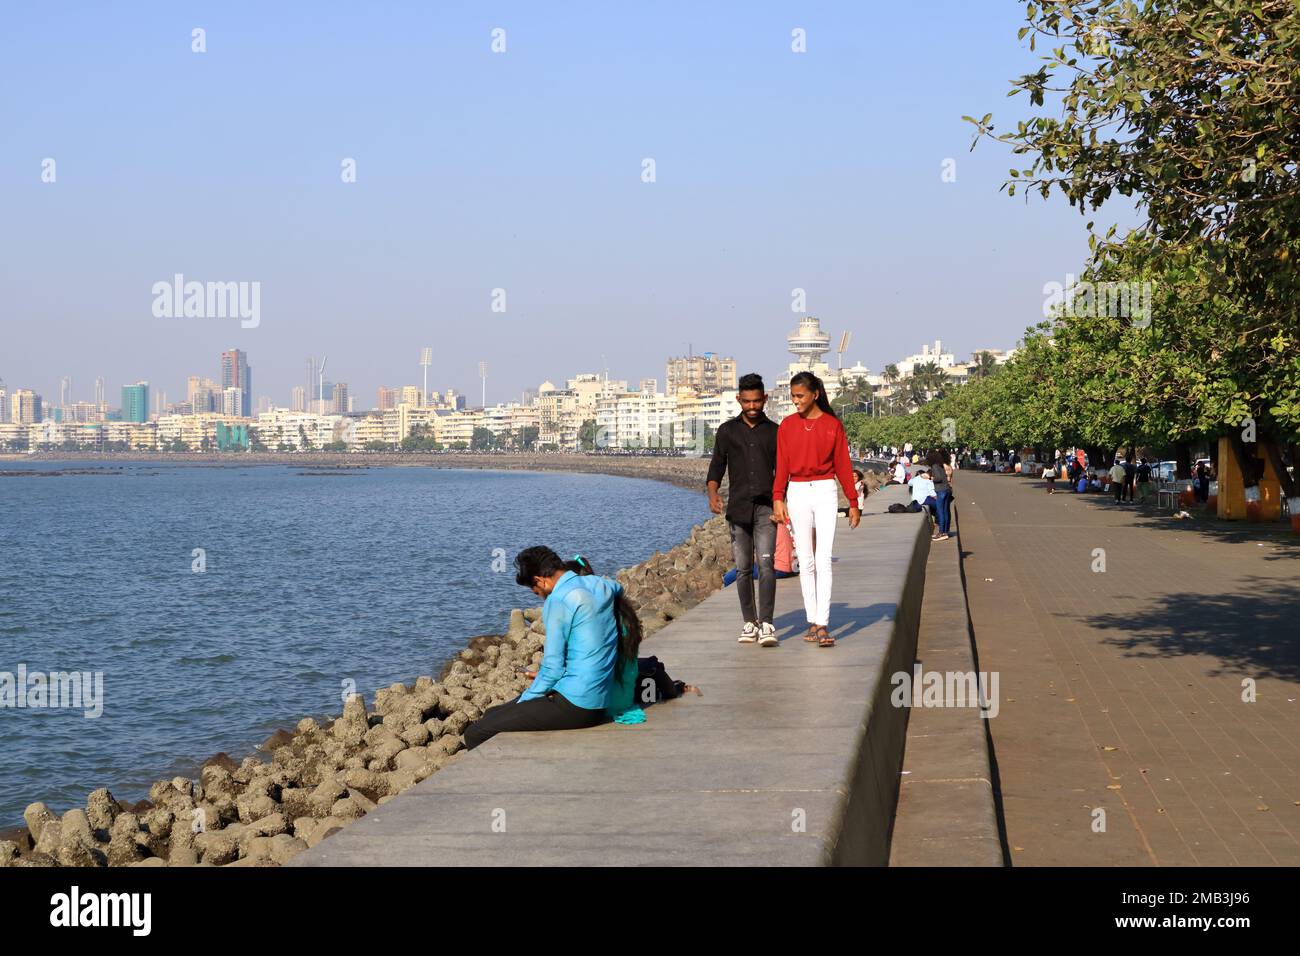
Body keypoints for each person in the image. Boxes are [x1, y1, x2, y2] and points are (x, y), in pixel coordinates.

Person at [464, 547, 632, 750]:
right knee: (492, 714)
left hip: (576, 706)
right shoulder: (599, 584)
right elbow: (618, 588)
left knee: (475, 733)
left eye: (536, 592)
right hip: (599, 699)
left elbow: (553, 670)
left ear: (541, 581)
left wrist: (525, 701)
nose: (540, 597)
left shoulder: (559, 600)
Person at [772, 371, 860, 648]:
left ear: (815, 394)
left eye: (799, 396)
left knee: (823, 558)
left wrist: (853, 502)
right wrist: (778, 497)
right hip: (796, 490)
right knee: (806, 560)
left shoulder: (832, 425)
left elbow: (844, 466)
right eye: (793, 396)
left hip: (824, 489)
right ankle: (812, 619)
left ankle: (822, 623)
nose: (795, 400)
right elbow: (782, 465)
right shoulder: (786, 426)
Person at [707, 373, 779, 647]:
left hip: (766, 509)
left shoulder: (774, 432)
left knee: (768, 565)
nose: (752, 406)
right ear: (739, 399)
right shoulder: (727, 431)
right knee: (743, 568)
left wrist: (781, 503)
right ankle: (750, 622)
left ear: (764, 399)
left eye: (757, 401)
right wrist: (713, 494)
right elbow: (716, 466)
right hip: (738, 511)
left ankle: (768, 623)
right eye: (747, 401)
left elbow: (783, 471)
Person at [724, 519, 799, 585]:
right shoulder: (779, 517)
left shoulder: (764, 522)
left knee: (728, 577)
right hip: (793, 567)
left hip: (778, 569)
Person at [927, 450, 953, 539]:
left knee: (941, 512)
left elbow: (938, 478)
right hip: (946, 489)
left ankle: (941, 533)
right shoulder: (940, 465)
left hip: (940, 490)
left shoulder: (934, 466)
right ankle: (945, 531)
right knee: (945, 511)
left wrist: (931, 478)